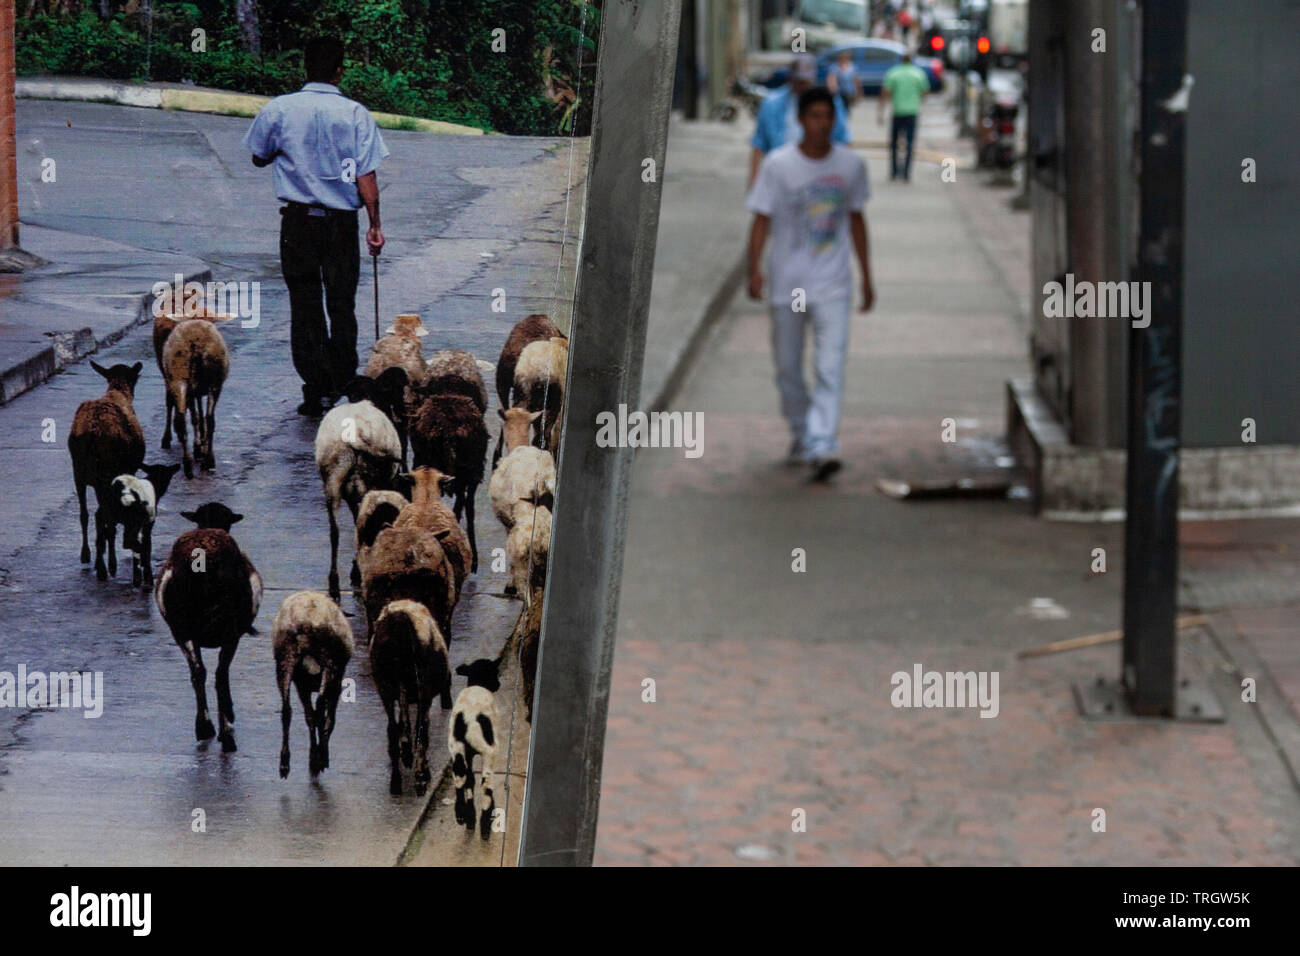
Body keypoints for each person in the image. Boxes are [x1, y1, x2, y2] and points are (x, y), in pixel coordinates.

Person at [242, 37, 389, 416]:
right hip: (341, 224)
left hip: (298, 224)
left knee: (305, 305)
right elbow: (366, 176)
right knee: (342, 304)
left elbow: (259, 157)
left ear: (304, 67)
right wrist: (374, 225)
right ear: (340, 69)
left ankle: (315, 387)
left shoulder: (279, 109)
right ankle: (343, 382)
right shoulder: (356, 114)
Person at [745, 86, 875, 482]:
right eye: (814, 116)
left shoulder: (851, 165)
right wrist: (754, 268)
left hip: (833, 285)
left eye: (828, 116)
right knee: (787, 368)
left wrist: (867, 275)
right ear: (800, 120)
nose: (822, 124)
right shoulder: (778, 165)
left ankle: (823, 444)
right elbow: (761, 218)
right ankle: (803, 434)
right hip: (788, 285)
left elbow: (856, 218)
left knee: (829, 366)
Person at [750, 54, 850, 189]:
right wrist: (754, 183)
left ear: (813, 78)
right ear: (790, 78)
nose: (802, 86)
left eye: (805, 81)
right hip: (781, 175)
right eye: (798, 81)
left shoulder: (830, 103)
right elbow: (759, 143)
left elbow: (843, 140)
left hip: (819, 175)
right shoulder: (772, 104)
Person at [878, 51, 930, 182]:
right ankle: (906, 172)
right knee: (910, 143)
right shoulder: (918, 73)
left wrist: (881, 112)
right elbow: (924, 91)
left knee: (894, 143)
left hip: (898, 111)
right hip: (912, 112)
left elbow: (885, 92)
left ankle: (894, 171)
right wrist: (918, 103)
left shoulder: (894, 72)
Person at [827, 51, 860, 118]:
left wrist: (859, 90)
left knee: (847, 109)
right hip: (839, 92)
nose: (844, 59)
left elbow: (856, 80)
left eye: (846, 57)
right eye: (842, 58)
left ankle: (844, 121)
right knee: (839, 109)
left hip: (849, 92)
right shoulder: (835, 67)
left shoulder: (852, 67)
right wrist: (833, 87)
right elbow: (832, 79)